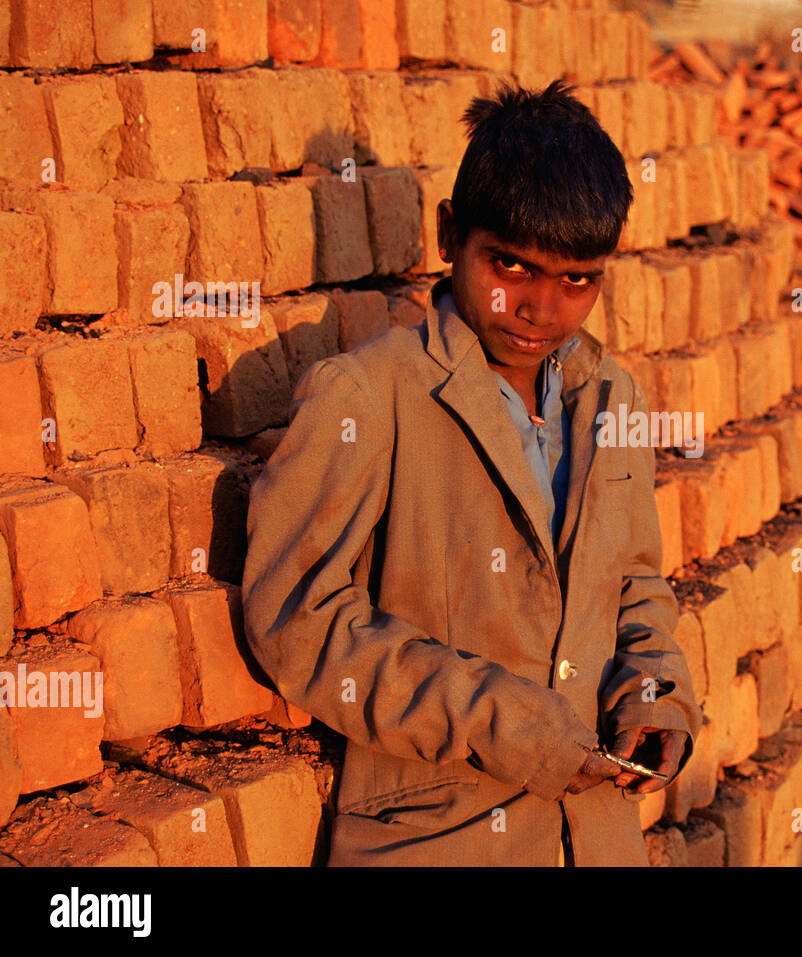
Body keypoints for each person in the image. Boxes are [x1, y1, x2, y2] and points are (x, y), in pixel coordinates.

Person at [241, 80, 704, 866]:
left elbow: (634, 583)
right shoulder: (370, 394)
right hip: (435, 838)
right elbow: (296, 618)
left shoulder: (610, 395)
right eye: (510, 265)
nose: (539, 309)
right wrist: (502, 719)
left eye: (576, 281)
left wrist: (656, 695)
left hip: (595, 838)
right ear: (451, 234)